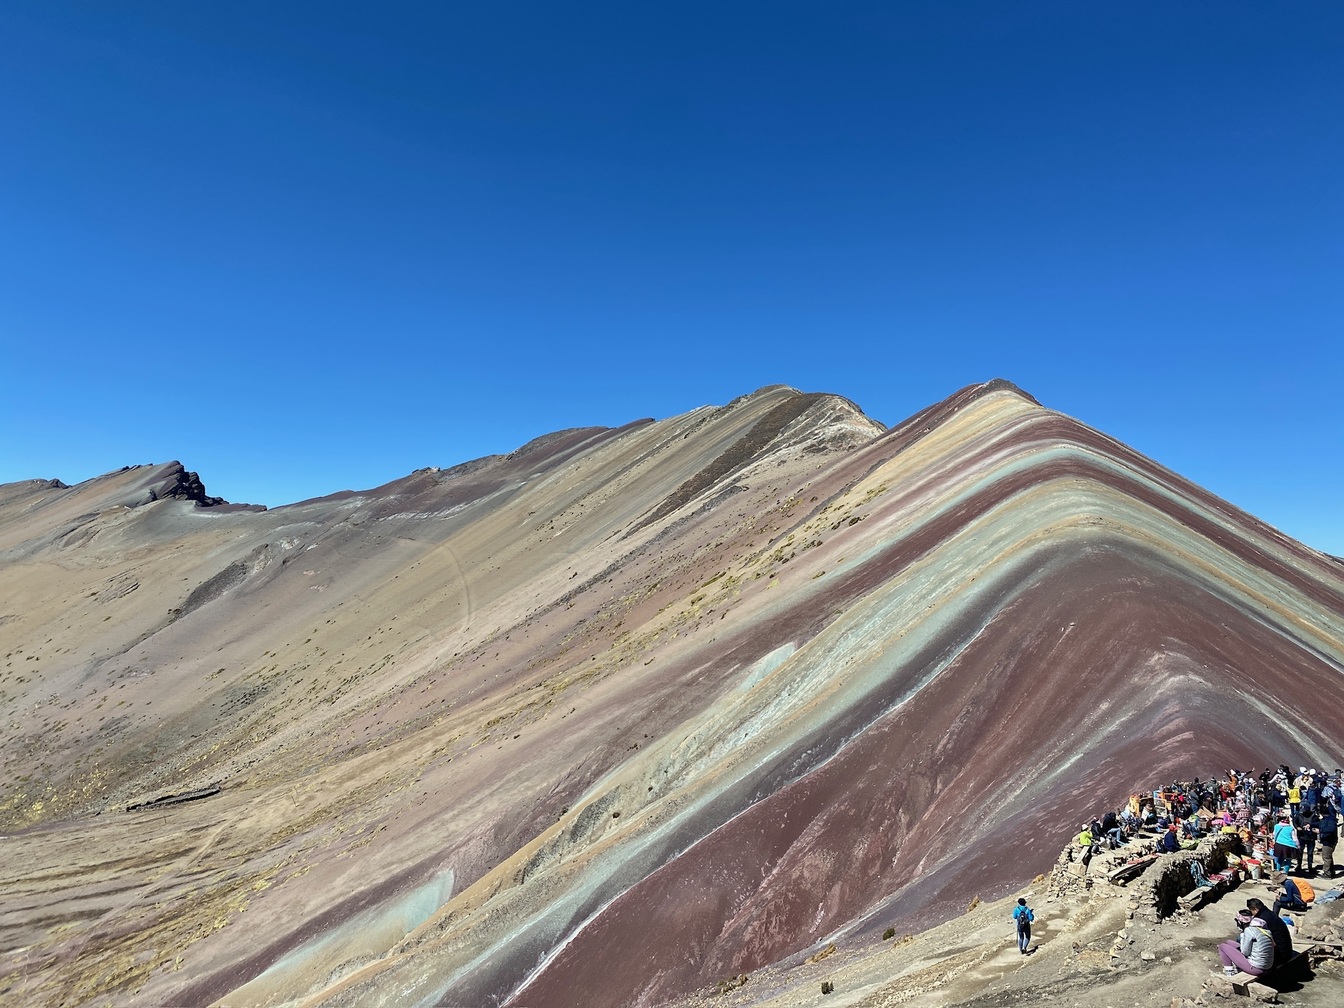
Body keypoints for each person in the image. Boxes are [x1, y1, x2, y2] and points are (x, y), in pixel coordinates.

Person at [1218, 909, 1274, 977]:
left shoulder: (1249, 930)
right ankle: (1238, 967)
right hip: (1266, 966)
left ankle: (1230, 973)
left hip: (1255, 968)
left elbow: (1245, 952)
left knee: (1222, 947)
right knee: (1229, 942)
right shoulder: (1264, 930)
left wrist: (1242, 934)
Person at [1246, 897, 1292, 966]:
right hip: (1287, 951)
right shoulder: (1269, 913)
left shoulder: (1262, 920)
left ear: (1255, 909)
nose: (1251, 914)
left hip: (1280, 956)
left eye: (1251, 911)